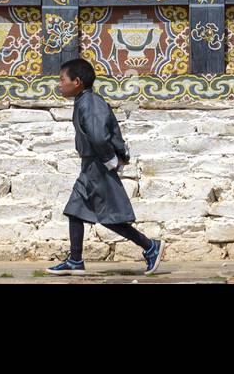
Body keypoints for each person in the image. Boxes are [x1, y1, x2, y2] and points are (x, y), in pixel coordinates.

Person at [47, 57, 164, 275]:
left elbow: (99, 136)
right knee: (75, 210)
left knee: (107, 215)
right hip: (90, 165)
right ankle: (75, 260)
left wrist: (110, 160)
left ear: (77, 81)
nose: (59, 84)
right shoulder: (83, 101)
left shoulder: (90, 103)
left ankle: (150, 246)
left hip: (97, 165)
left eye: (62, 79)